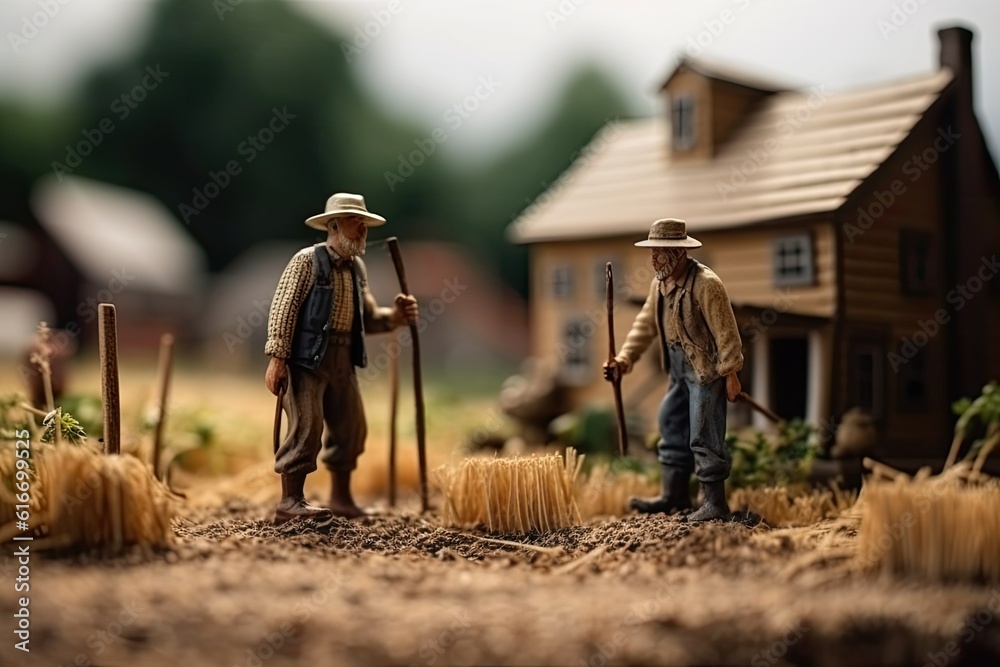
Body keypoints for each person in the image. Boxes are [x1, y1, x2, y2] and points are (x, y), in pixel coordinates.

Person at [264, 193, 418, 523]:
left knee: (351, 427)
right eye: (354, 221)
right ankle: (290, 501)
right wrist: (278, 357)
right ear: (333, 225)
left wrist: (396, 317)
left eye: (364, 223)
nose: (362, 228)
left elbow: (369, 317)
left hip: (343, 359)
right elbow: (283, 309)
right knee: (307, 426)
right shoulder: (306, 262)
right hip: (307, 360)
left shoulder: (357, 269)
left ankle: (341, 497)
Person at [603, 218, 743, 522]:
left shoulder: (707, 285)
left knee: (704, 434)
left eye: (660, 252)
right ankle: (674, 495)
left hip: (705, 371)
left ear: (679, 253)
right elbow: (644, 325)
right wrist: (624, 360)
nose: (653, 259)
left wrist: (731, 374)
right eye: (652, 252)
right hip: (677, 368)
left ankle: (715, 504)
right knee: (671, 423)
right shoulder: (660, 284)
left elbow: (726, 333)